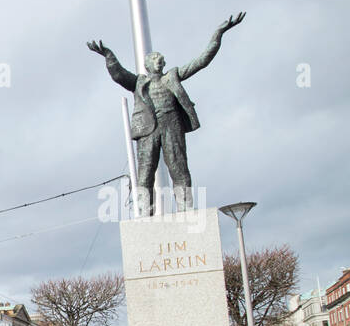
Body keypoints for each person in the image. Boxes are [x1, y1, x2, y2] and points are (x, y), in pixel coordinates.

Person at [88, 13, 244, 214]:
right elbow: (118, 74)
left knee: (179, 169)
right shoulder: (138, 82)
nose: (159, 60)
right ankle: (145, 213)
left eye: (161, 58)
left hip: (172, 125)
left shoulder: (173, 76)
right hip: (147, 130)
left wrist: (218, 34)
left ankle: (185, 209)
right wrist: (108, 55)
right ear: (148, 65)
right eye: (155, 58)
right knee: (145, 174)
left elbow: (202, 60)